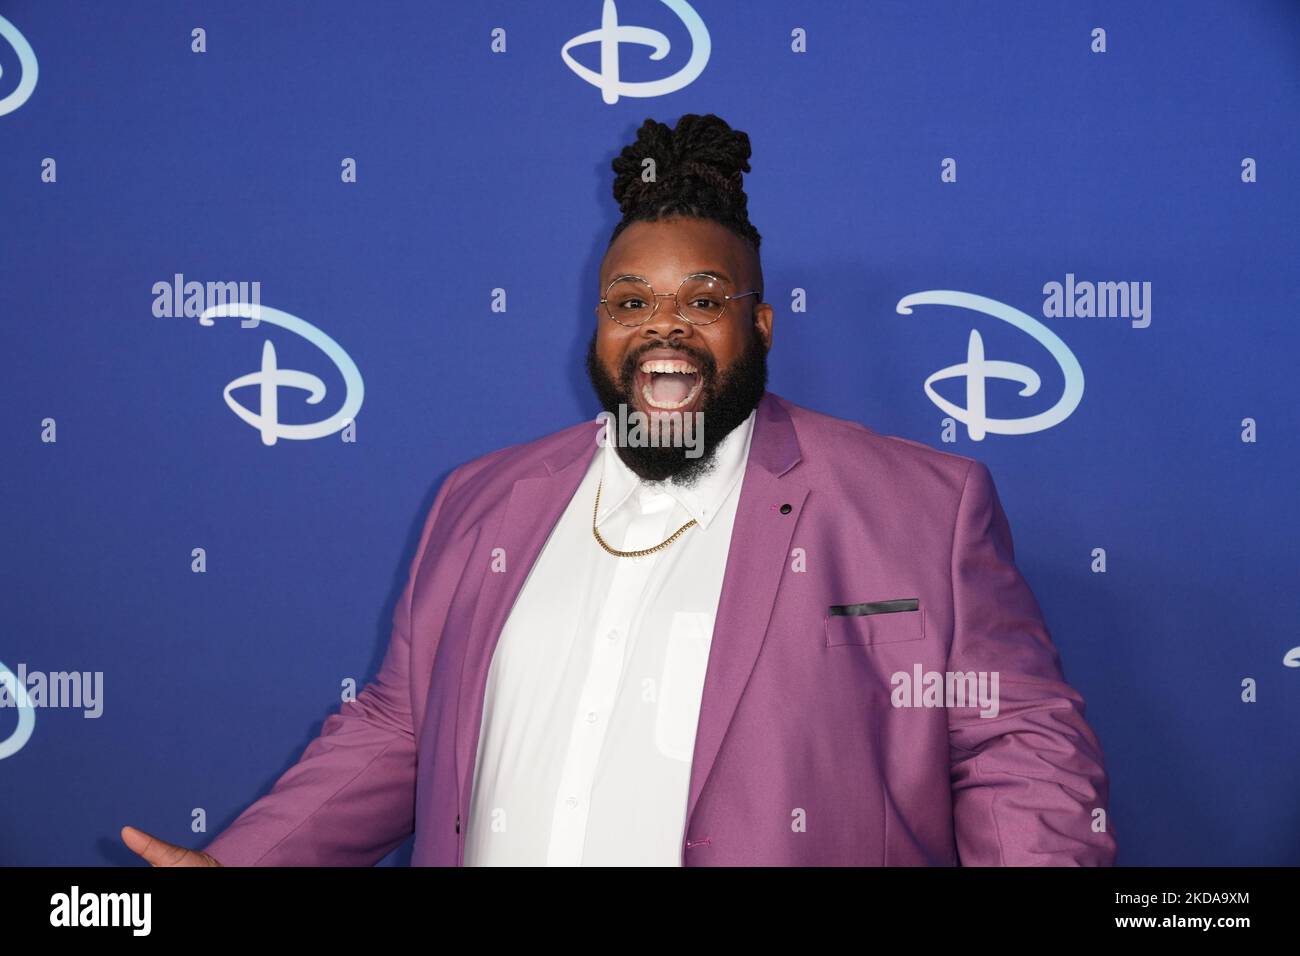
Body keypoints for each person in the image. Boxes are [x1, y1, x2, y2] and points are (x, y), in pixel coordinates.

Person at [122, 113, 1116, 867]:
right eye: (631, 302)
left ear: (760, 324)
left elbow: (1017, 746)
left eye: (703, 300)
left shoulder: (917, 504)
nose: (663, 326)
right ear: (596, 325)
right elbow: (401, 723)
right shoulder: (483, 500)